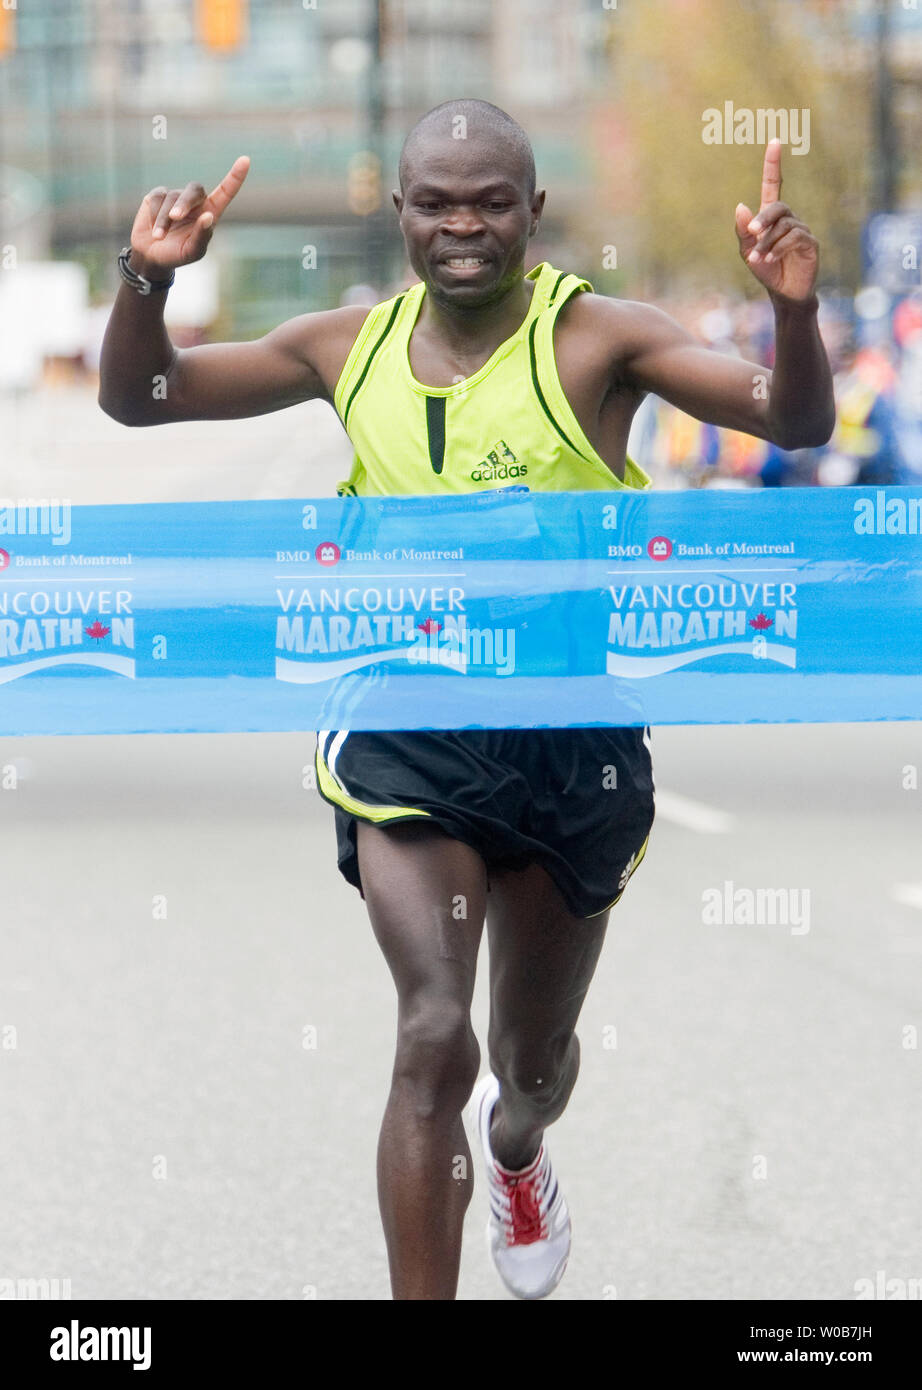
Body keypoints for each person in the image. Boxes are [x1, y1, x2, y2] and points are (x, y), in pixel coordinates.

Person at [98, 100, 835, 1301]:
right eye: (435, 202)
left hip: (571, 745)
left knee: (525, 1064)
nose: (462, 226)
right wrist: (142, 279)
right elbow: (146, 398)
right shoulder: (344, 347)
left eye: (490, 201)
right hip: (405, 727)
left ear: (533, 211)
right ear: (398, 213)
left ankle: (519, 1150)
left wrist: (793, 312)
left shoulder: (601, 341)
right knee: (431, 1030)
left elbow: (793, 418)